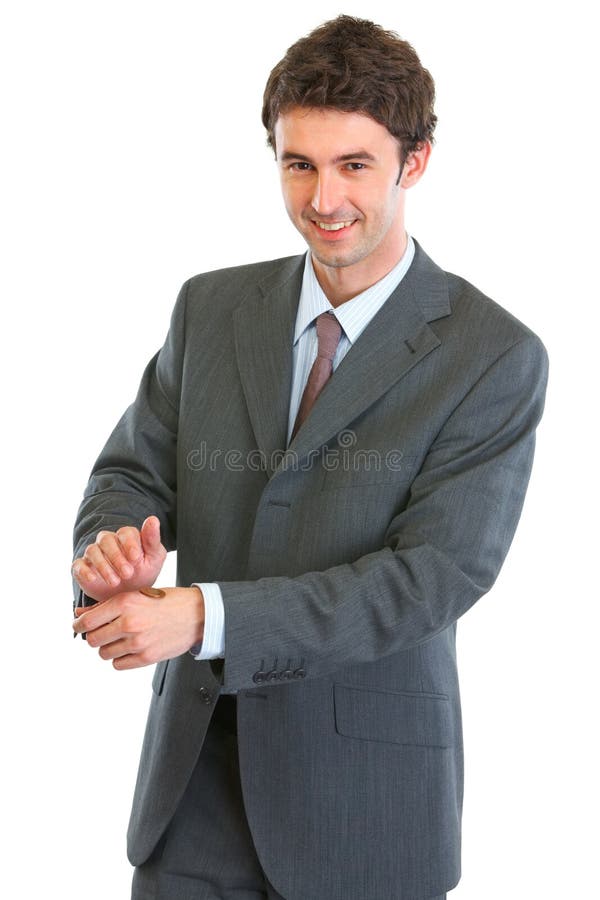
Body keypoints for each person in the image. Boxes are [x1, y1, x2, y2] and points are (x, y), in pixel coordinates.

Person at [71, 14, 549, 900]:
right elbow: (132, 472)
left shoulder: (493, 356)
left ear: (416, 163)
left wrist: (207, 618)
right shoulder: (209, 310)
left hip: (364, 810)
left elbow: (429, 579)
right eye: (299, 165)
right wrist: (112, 552)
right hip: (192, 801)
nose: (323, 200)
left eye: (354, 165)